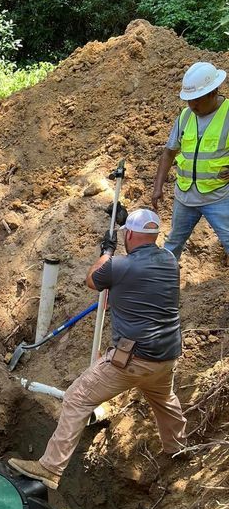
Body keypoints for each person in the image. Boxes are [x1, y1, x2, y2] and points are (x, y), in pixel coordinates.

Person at [9, 209, 187, 490]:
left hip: (132, 358)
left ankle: (50, 468)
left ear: (129, 234)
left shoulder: (120, 266)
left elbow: (93, 279)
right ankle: (177, 449)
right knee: (165, 400)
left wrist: (106, 251)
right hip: (166, 356)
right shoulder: (169, 260)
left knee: (77, 398)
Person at [152, 61, 229, 259]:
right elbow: (169, 152)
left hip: (218, 196)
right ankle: (164, 285)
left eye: (196, 99)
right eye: (189, 99)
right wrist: (158, 187)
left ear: (213, 93)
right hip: (185, 197)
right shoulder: (185, 116)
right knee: (173, 244)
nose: (191, 104)